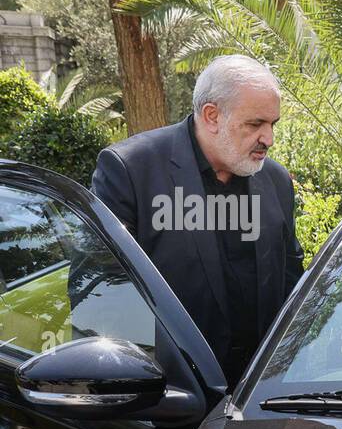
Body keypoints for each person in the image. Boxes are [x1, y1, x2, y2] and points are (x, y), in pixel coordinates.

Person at [92, 55, 303, 384]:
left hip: (261, 392)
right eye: (255, 124)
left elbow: (291, 274)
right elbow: (101, 290)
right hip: (171, 399)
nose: (268, 139)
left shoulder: (275, 180)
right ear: (212, 116)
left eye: (272, 124)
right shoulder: (131, 171)